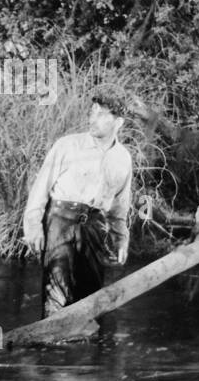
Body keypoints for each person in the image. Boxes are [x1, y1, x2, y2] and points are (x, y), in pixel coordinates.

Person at [22, 86, 134, 317]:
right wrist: (33, 226)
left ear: (118, 122)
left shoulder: (123, 159)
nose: (92, 118)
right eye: (92, 111)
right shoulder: (67, 145)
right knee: (56, 296)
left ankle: (86, 349)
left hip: (95, 227)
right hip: (60, 222)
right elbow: (40, 189)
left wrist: (121, 238)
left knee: (90, 300)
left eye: (101, 114)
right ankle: (51, 346)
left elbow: (119, 208)